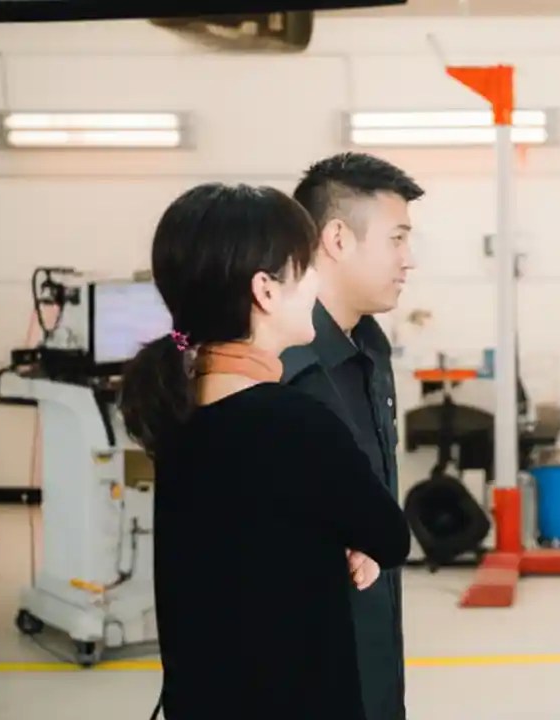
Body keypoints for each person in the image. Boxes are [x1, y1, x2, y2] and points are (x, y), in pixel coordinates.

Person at [119, 182, 412, 719]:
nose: (315, 283)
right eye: (304, 270)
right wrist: (353, 537)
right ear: (266, 290)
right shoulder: (296, 423)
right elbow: (390, 537)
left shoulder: (178, 419)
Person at [281, 152, 425, 720]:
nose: (408, 260)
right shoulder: (279, 362)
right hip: (308, 662)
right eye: (397, 239)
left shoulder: (371, 347)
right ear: (337, 238)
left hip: (375, 637)